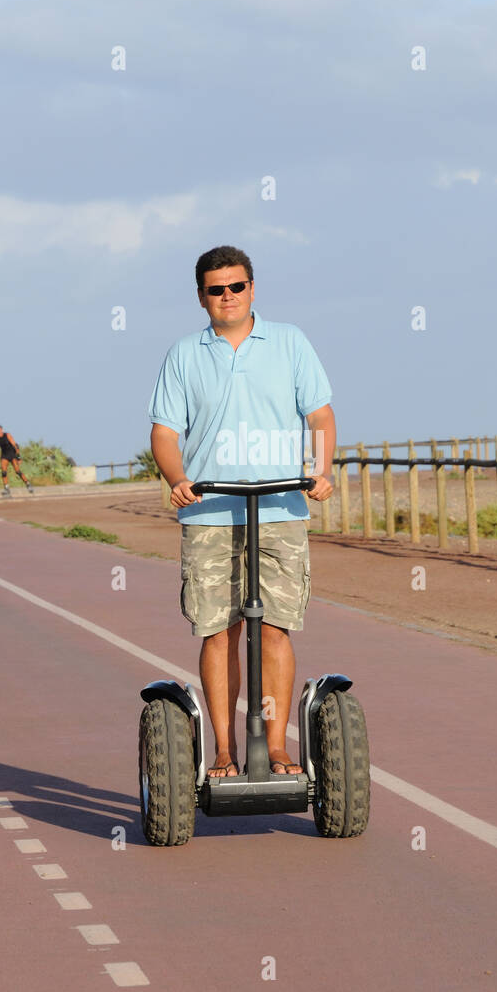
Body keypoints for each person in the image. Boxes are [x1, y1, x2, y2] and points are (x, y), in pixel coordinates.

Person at [148, 245, 335, 778]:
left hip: (279, 505)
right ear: (201, 295)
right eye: (215, 289)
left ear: (252, 288)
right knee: (218, 631)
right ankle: (225, 753)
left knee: (274, 628)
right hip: (210, 510)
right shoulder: (184, 354)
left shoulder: (290, 342)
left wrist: (321, 471)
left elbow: (320, 415)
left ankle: (277, 749)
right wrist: (178, 480)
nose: (226, 296)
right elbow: (164, 432)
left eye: (235, 286)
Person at [0, 426, 34, 495]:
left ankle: (28, 484)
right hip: (4, 455)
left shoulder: (7, 435)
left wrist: (18, 457)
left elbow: (15, 445)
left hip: (12, 454)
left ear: (2, 430)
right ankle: (6, 489)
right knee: (3, 472)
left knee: (17, 471)